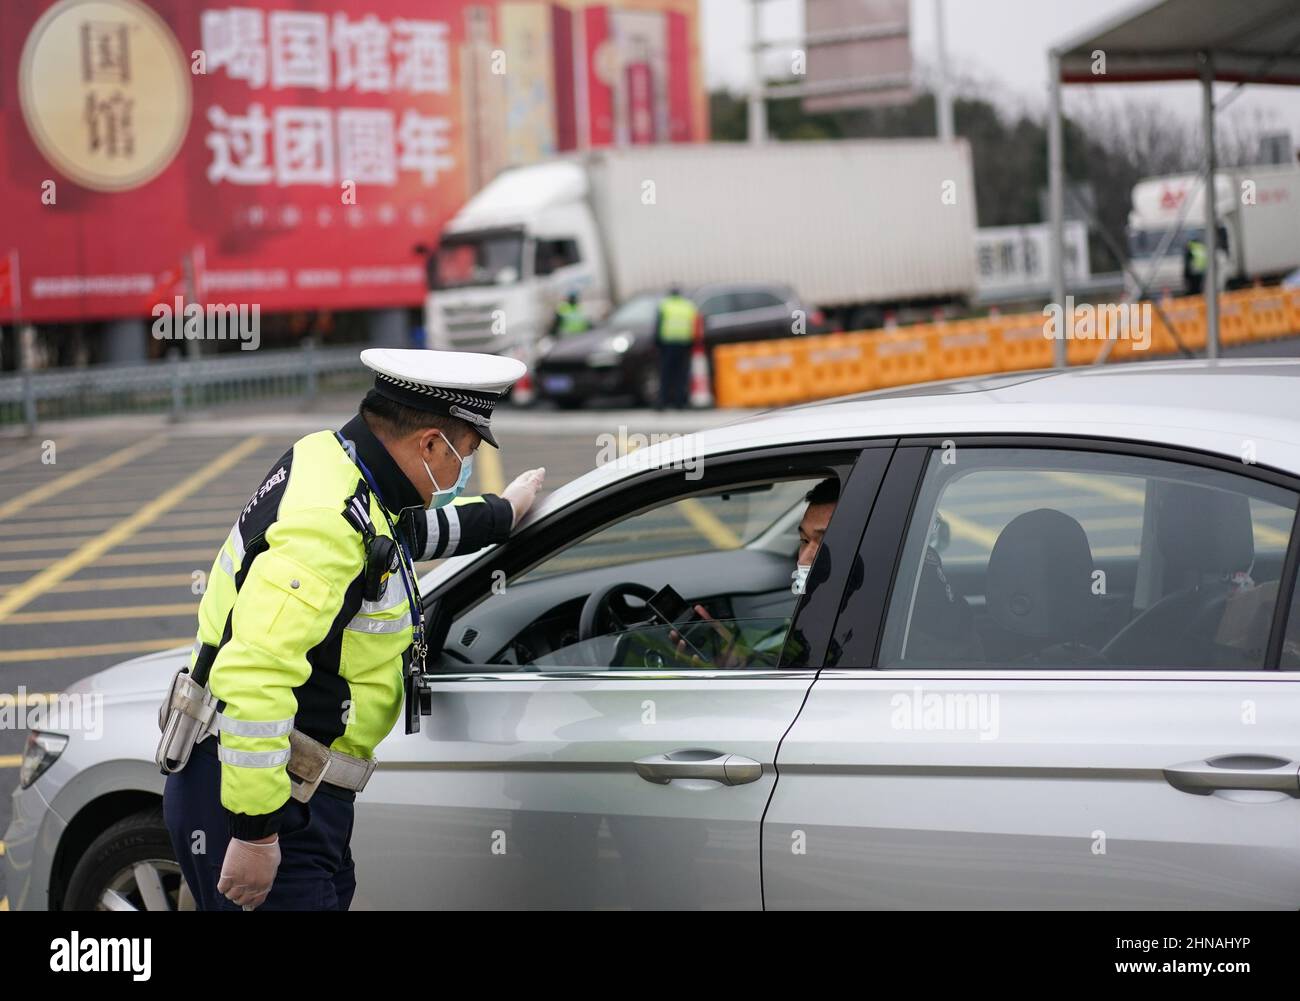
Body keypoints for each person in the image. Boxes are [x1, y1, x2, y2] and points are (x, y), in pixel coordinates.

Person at [160, 348, 546, 911]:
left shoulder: (336, 461)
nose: (463, 468)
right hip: (258, 795)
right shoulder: (324, 528)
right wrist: (255, 833)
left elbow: (393, 537)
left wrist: (500, 515)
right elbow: (254, 675)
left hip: (297, 791)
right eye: (463, 454)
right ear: (430, 444)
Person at [672, 478, 839, 668]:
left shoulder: (860, 630)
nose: (802, 560)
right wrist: (738, 663)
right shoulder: (818, 621)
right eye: (804, 541)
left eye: (824, 541)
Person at [654, 285, 698, 410]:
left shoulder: (665, 305)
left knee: (666, 374)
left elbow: (658, 325)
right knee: (682, 374)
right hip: (684, 343)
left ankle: (663, 402)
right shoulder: (688, 305)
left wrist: (657, 342)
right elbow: (695, 324)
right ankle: (680, 402)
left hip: (668, 344)